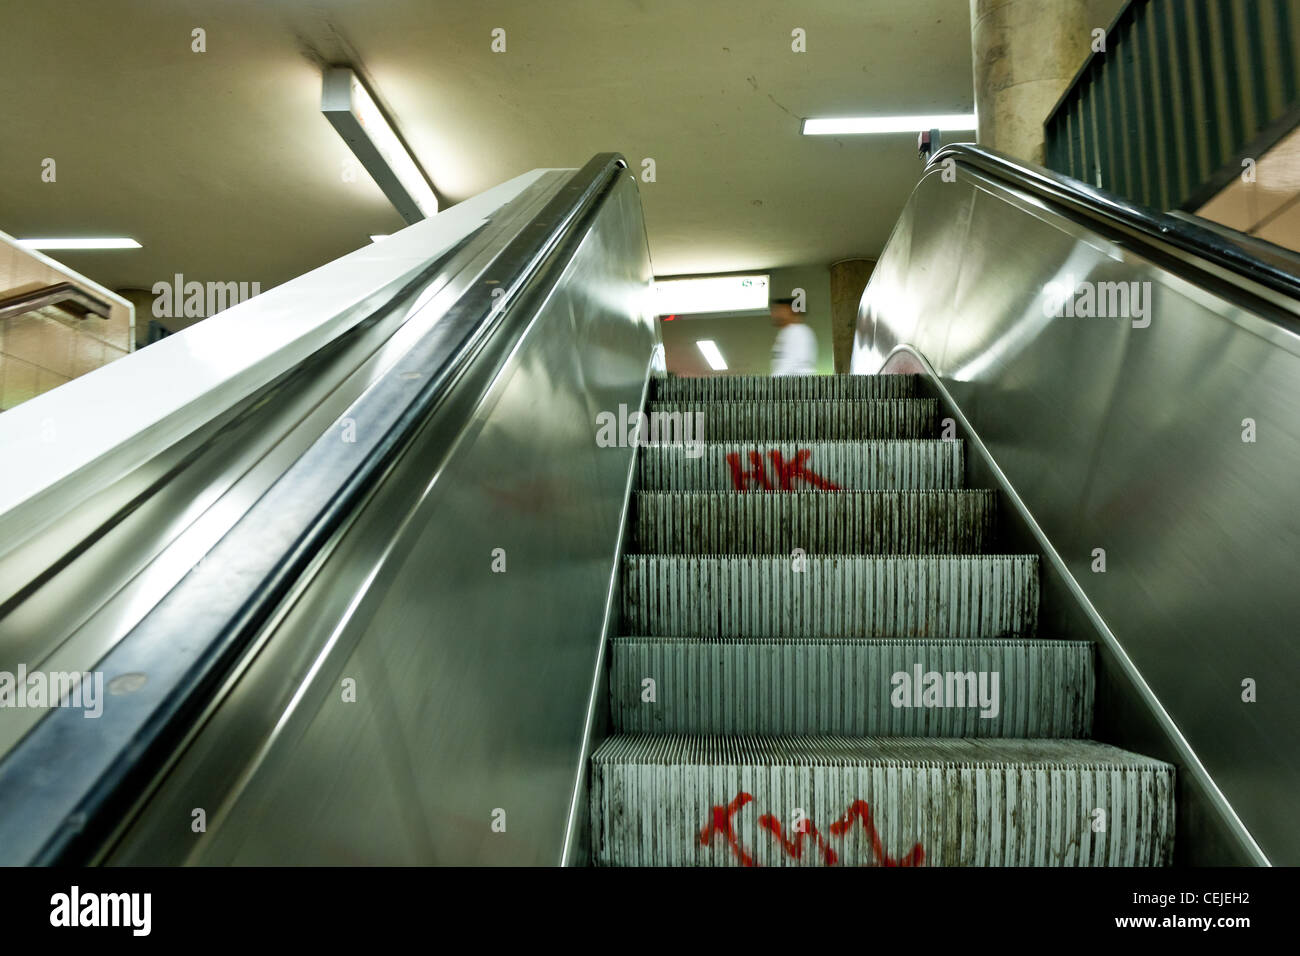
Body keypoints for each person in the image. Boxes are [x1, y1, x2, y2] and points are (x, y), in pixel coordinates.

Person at [769, 297, 817, 376]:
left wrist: (772, 384)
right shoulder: (786, 332)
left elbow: (792, 364)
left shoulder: (799, 332)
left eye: (779, 310)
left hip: (796, 385)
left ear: (792, 311)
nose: (774, 314)